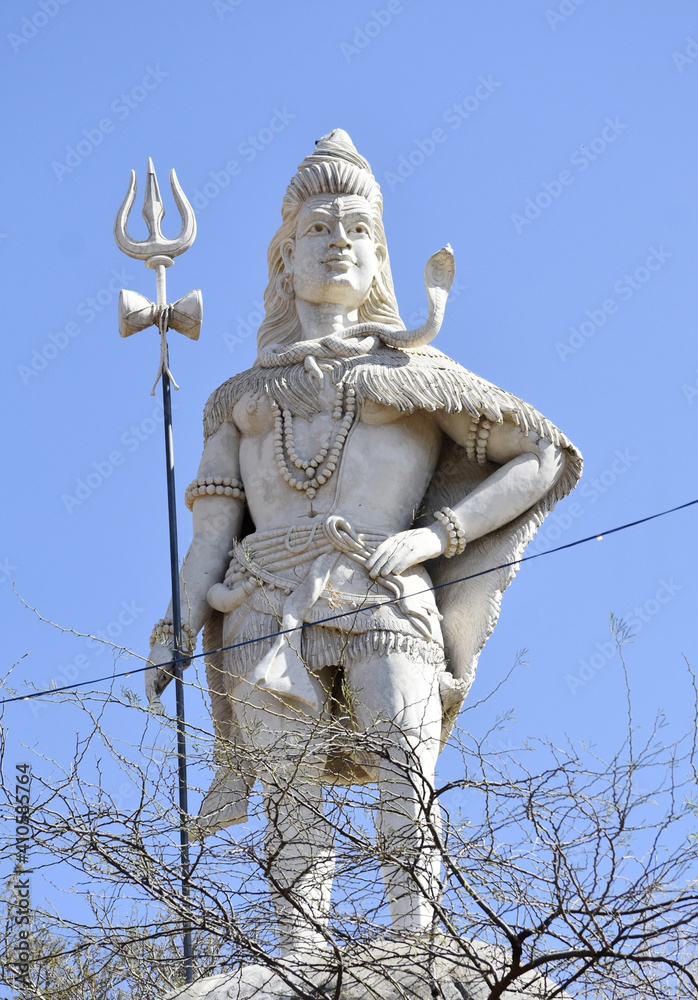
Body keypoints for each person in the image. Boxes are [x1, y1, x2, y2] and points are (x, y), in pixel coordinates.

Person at [145, 130, 582, 955]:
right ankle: (299, 954)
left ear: (379, 258)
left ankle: (413, 943)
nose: (337, 243)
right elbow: (210, 533)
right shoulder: (238, 399)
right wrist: (174, 624)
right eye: (319, 228)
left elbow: (543, 456)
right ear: (286, 258)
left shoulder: (415, 376)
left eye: (356, 231)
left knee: (405, 778)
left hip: (383, 589)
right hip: (261, 603)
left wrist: (433, 536)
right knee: (291, 799)